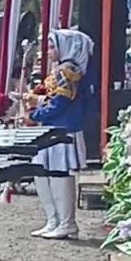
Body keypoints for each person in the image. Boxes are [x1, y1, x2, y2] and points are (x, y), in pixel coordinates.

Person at [27, 28, 96, 240]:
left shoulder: (67, 70)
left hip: (62, 129)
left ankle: (65, 222)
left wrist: (37, 114)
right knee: (46, 174)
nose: (49, 51)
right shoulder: (67, 68)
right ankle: (54, 220)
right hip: (56, 128)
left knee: (58, 176)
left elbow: (61, 103)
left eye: (52, 46)